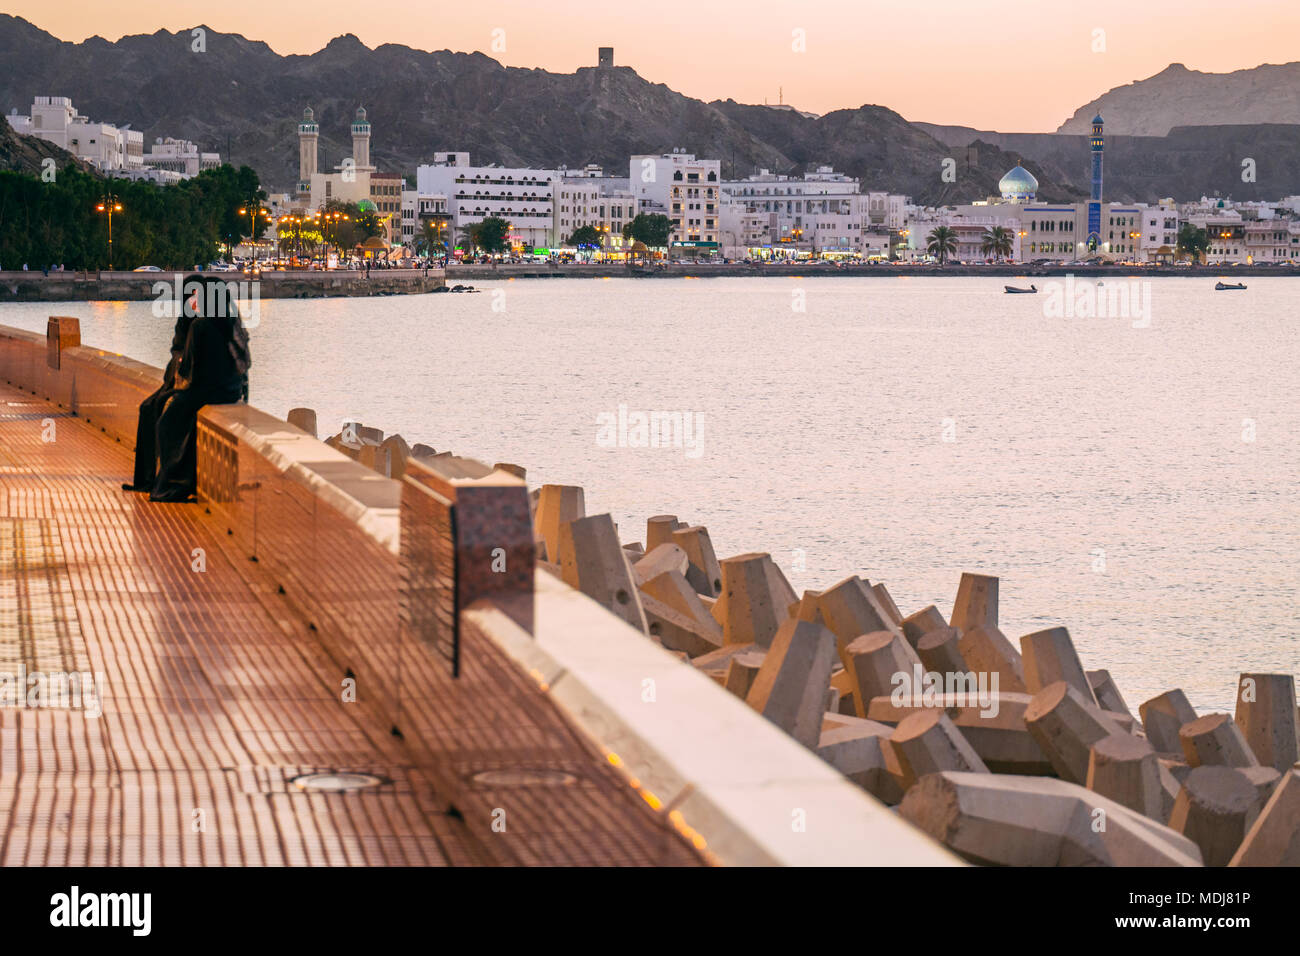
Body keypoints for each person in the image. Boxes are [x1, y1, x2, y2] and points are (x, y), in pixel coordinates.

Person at [149, 276, 251, 503]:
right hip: (230, 391)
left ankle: (172, 481)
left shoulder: (200, 325)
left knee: (166, 424)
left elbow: (189, 371)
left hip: (207, 391)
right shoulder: (231, 321)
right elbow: (245, 362)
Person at [121, 275, 203, 492]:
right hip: (176, 380)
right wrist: (180, 361)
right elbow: (177, 348)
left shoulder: (208, 320)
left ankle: (165, 479)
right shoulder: (186, 320)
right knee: (147, 408)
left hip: (194, 384)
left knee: (163, 413)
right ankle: (144, 480)